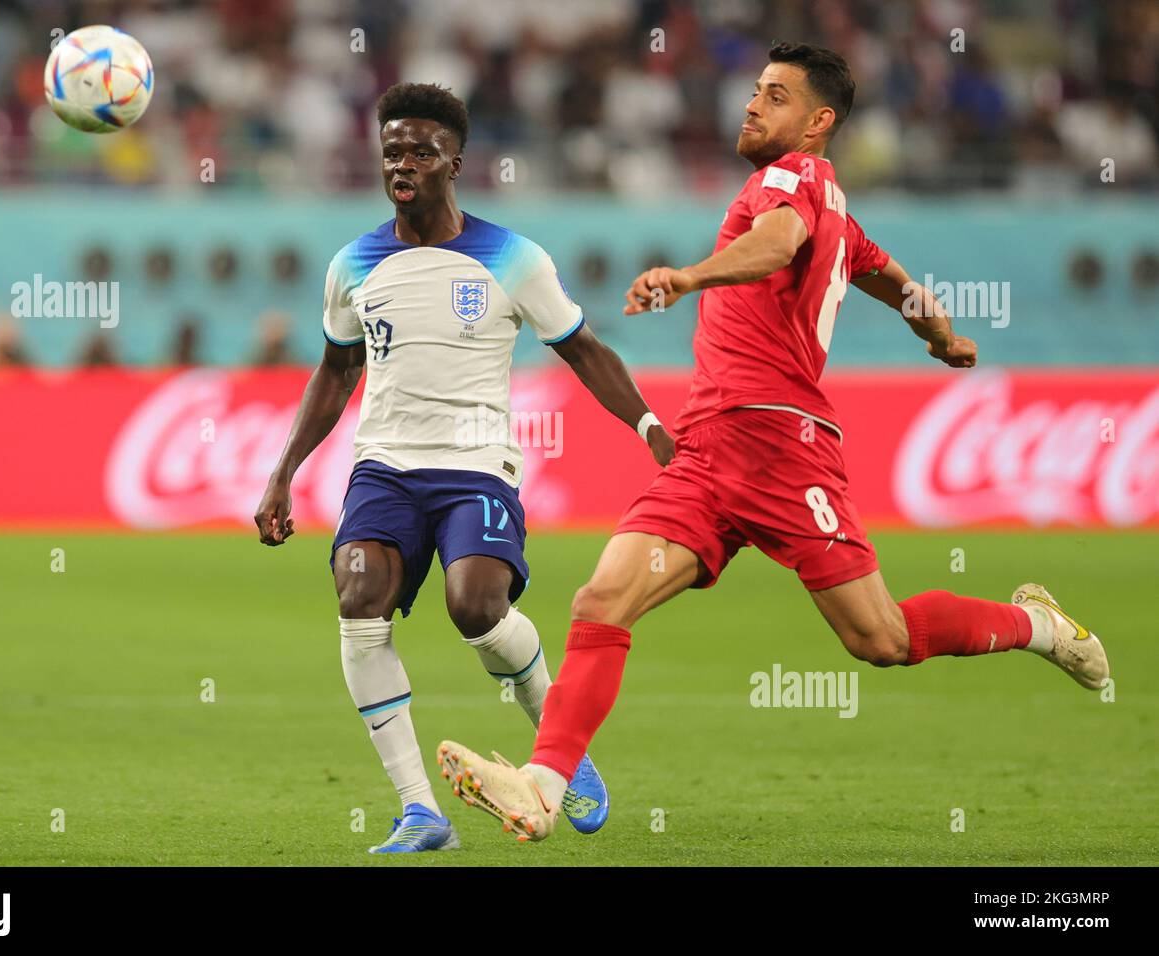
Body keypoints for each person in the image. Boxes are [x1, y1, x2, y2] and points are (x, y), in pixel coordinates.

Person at [437, 43, 1110, 844]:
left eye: (777, 96)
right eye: (756, 91)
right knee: (601, 601)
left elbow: (782, 241)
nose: (754, 105)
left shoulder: (795, 181)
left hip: (782, 446)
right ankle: (543, 788)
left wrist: (690, 276)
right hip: (710, 448)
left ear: (818, 123)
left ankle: (1037, 627)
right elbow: (893, 278)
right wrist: (943, 333)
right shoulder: (832, 207)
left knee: (881, 639)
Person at [253, 83, 674, 854]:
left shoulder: (513, 257)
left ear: (456, 161)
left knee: (476, 607)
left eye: (420, 151)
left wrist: (647, 423)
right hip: (383, 466)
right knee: (359, 599)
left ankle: (560, 751)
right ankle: (421, 811)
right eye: (391, 152)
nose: (402, 164)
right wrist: (283, 473)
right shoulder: (353, 264)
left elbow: (583, 348)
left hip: (477, 466)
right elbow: (335, 371)